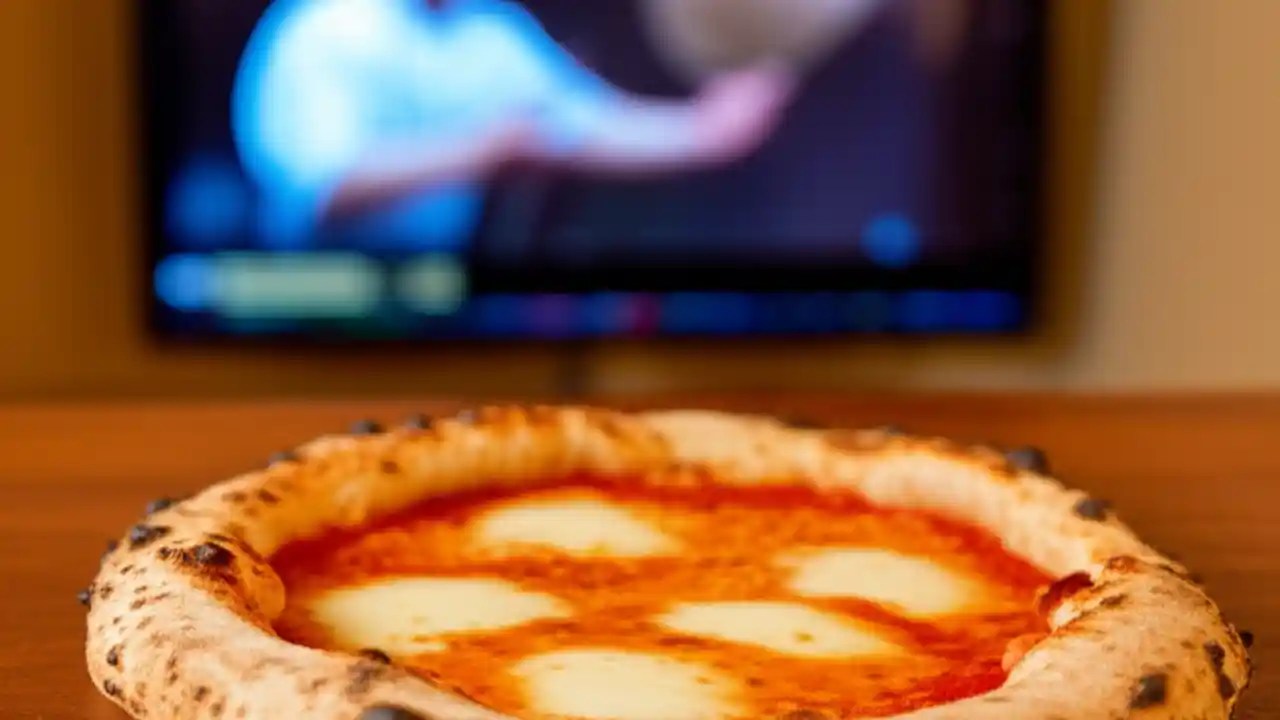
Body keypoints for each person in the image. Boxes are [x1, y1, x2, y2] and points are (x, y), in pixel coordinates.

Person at [232, 0, 796, 251]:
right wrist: (483, 150)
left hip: (442, 307)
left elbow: (582, 125)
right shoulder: (324, 24)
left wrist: (704, 132)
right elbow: (323, 189)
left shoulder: (490, 30)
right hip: (308, 309)